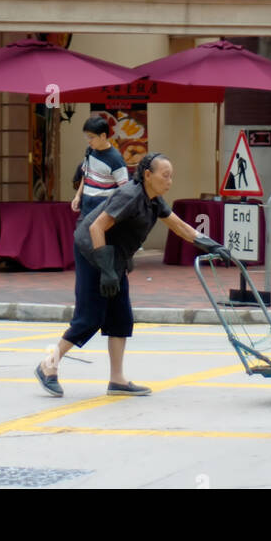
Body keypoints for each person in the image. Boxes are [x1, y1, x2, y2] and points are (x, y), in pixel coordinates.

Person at [37, 151, 230, 397]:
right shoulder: (130, 195)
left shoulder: (154, 199)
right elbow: (97, 227)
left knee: (121, 317)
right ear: (148, 175)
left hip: (114, 259)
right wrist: (106, 270)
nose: (169, 181)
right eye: (165, 176)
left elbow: (179, 226)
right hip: (91, 252)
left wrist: (212, 244)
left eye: (172, 176)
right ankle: (48, 365)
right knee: (89, 318)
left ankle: (117, 380)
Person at [70, 115, 128, 218]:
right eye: (86, 136)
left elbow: (124, 190)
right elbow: (85, 175)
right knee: (79, 234)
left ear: (103, 136)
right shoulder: (90, 150)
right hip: (86, 209)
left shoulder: (116, 159)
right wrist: (78, 196)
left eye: (91, 137)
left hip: (103, 212)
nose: (88, 140)